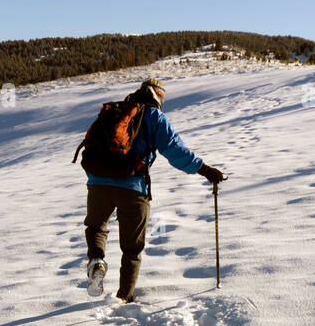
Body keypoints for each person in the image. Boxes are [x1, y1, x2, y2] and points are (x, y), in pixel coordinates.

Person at [82, 78, 224, 303]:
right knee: (131, 249)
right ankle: (123, 298)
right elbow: (175, 150)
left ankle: (96, 260)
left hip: (98, 183)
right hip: (133, 186)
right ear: (159, 97)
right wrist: (204, 169)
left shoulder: (117, 111)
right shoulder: (154, 117)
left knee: (96, 226)